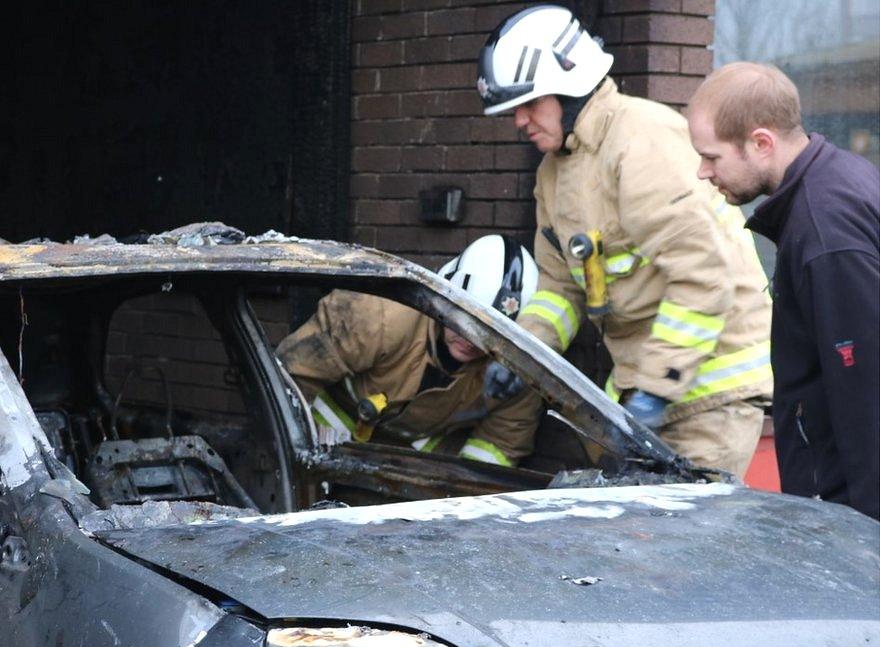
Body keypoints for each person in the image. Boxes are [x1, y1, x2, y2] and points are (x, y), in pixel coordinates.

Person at [476, 5, 773, 479]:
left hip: (710, 397)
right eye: (513, 109)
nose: (519, 121)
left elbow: (702, 276)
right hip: (641, 396)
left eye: (529, 104)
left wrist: (657, 388)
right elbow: (559, 290)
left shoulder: (642, 142)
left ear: (570, 85)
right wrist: (523, 354)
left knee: (686, 546)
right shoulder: (554, 175)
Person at [687, 62, 880, 519]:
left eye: (712, 157)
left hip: (848, 513)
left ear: (761, 143)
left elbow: (867, 396)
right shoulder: (840, 180)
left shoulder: (825, 234)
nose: (701, 171)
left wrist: (867, 542)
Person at [277, 234, 543, 467]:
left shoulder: (513, 378)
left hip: (412, 461)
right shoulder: (378, 315)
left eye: (490, 334)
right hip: (324, 432)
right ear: (444, 295)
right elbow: (290, 378)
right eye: (466, 321)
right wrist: (294, 459)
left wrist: (458, 510)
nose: (473, 340)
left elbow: (500, 446)